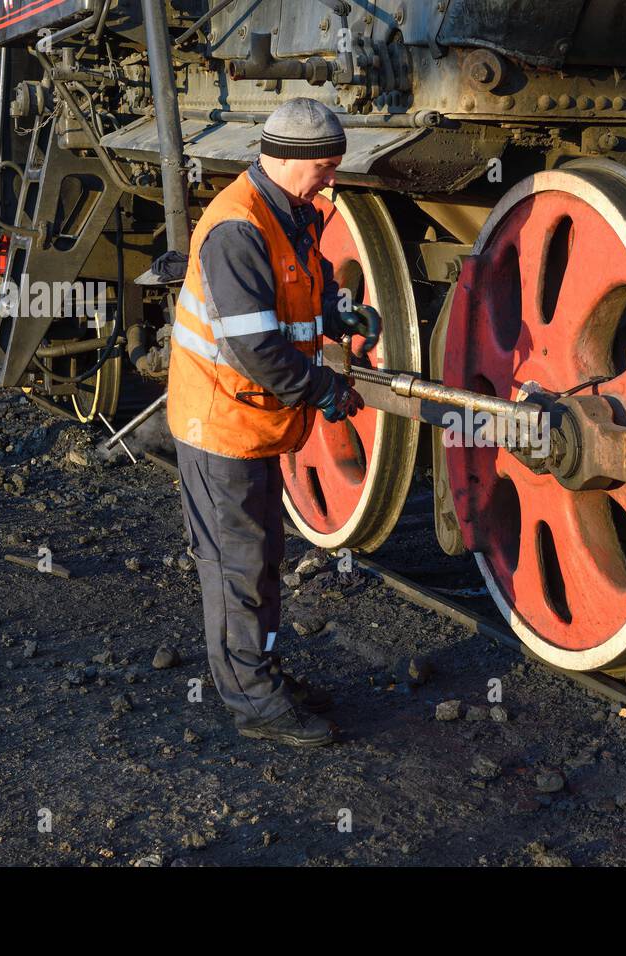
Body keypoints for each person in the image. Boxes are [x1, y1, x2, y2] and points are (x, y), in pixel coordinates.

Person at [166, 97, 380, 747]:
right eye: (326, 166)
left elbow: (304, 286)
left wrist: (340, 315)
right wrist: (322, 389)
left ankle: (258, 673)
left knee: (259, 560)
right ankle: (253, 702)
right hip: (221, 422)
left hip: (250, 421)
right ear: (288, 160)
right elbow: (253, 347)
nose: (333, 179)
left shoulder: (292, 214)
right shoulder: (239, 228)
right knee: (237, 564)